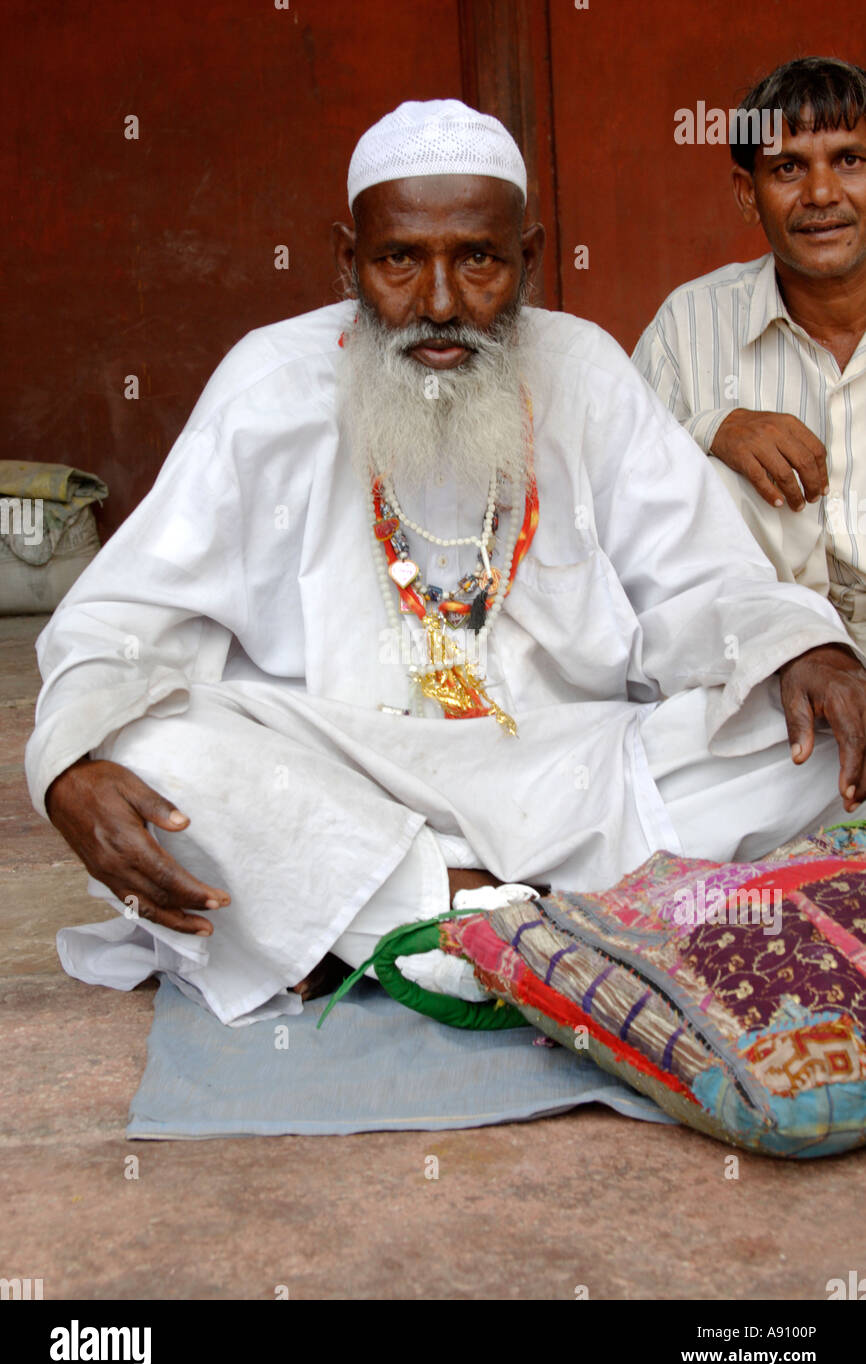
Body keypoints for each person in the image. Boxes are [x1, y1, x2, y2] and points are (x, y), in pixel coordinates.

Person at [29, 99, 866, 1026]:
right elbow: (113, 625)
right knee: (149, 748)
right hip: (337, 762)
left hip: (568, 765)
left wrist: (803, 646)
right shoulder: (269, 386)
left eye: (477, 258)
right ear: (348, 260)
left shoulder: (581, 370)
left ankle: (423, 919)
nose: (438, 302)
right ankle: (531, 916)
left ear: (531, 258)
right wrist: (68, 767)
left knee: (823, 734)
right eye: (398, 260)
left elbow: (702, 578)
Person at [633, 57, 866, 649]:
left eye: (849, 161)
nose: (821, 193)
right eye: (788, 167)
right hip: (760, 663)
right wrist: (712, 429)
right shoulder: (688, 325)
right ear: (747, 193)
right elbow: (616, 494)